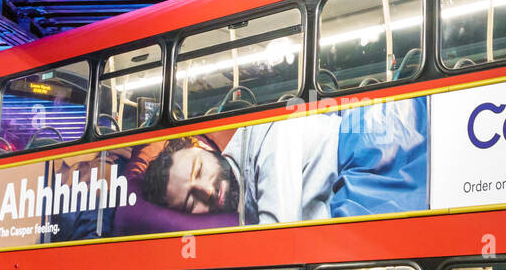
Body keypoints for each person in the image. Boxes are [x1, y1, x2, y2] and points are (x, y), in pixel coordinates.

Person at [140, 96, 428, 225]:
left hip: (381, 149)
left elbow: (278, 236)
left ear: (204, 146)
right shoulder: (245, 194)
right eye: (192, 202)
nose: (206, 190)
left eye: (198, 170)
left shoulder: (266, 140)